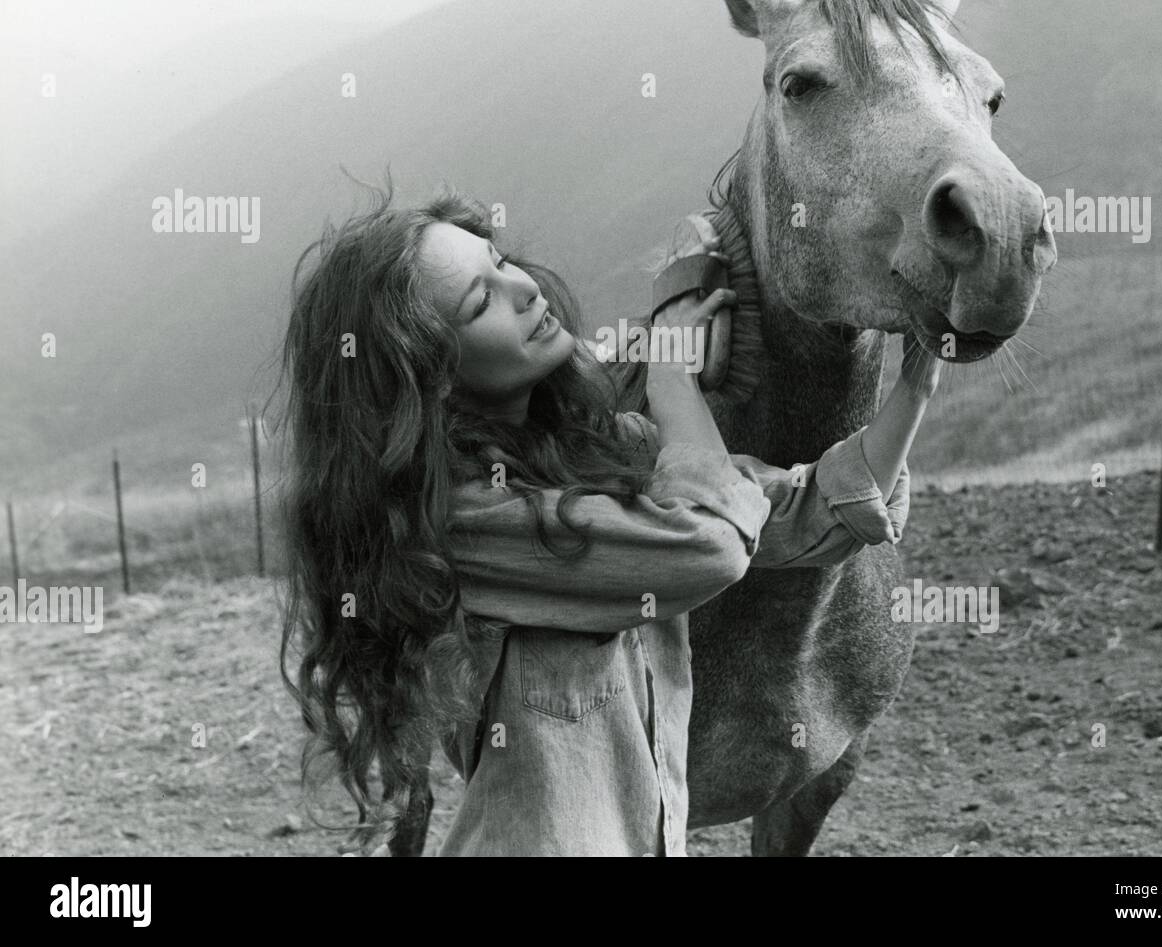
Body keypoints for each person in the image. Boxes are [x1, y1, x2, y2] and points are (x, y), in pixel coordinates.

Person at [276, 178, 940, 858]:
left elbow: (811, 514)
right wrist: (673, 380)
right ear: (433, 374)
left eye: (501, 263)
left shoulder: (597, 452)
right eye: (482, 300)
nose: (525, 289)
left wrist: (918, 378)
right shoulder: (474, 518)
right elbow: (712, 546)